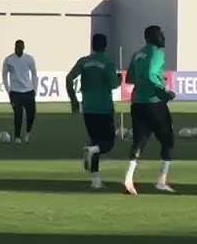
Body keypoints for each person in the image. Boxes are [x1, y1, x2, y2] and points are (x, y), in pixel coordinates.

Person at [123, 25, 175, 194]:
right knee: (168, 140)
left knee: (139, 140)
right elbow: (151, 75)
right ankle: (161, 181)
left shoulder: (137, 54)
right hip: (154, 102)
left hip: (137, 102)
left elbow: (130, 78)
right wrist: (164, 91)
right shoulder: (156, 53)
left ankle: (128, 179)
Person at [66, 33, 122, 190]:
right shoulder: (108, 62)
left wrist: (73, 101)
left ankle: (96, 180)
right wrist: (120, 79)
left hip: (88, 108)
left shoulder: (84, 61)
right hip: (104, 108)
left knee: (95, 141)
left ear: (92, 45)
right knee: (108, 144)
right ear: (105, 45)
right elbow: (113, 84)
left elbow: (69, 79)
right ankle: (92, 153)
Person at [2, 39, 38, 144]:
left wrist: (34, 90)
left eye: (20, 47)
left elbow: (34, 74)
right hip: (15, 92)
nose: (18, 49)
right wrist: (9, 91)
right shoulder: (9, 60)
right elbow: (4, 76)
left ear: (23, 47)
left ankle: (27, 133)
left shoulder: (29, 59)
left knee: (31, 114)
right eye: (17, 47)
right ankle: (17, 136)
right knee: (18, 113)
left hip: (28, 91)